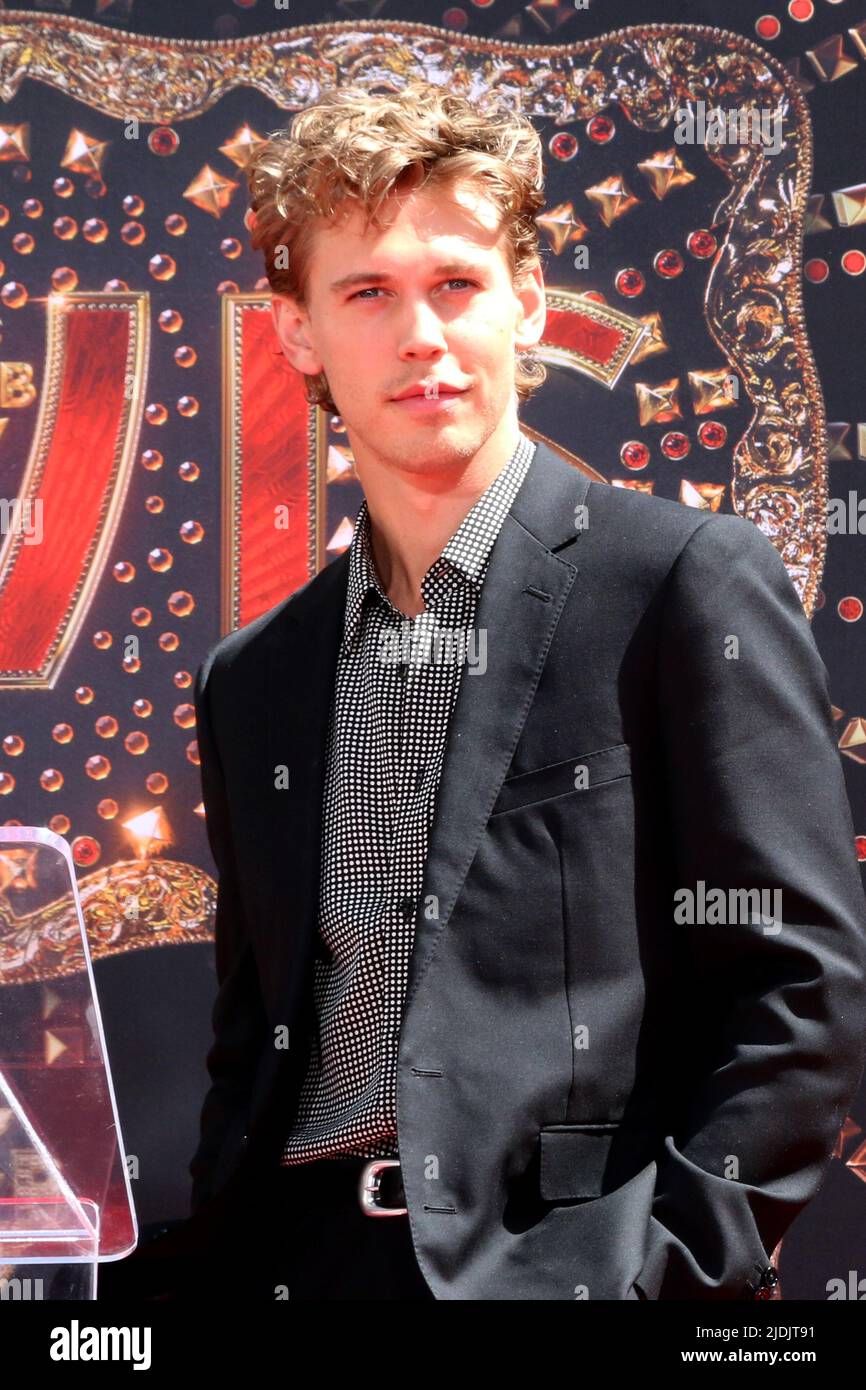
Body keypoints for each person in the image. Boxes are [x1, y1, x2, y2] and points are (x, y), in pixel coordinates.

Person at [182, 79, 866, 1300]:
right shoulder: (254, 679)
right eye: (367, 293)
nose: (420, 336)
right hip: (297, 1265)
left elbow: (799, 977)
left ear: (527, 305)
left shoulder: (678, 583)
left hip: (566, 1274)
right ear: (294, 334)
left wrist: (663, 1270)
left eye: (455, 283)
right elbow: (251, 1036)